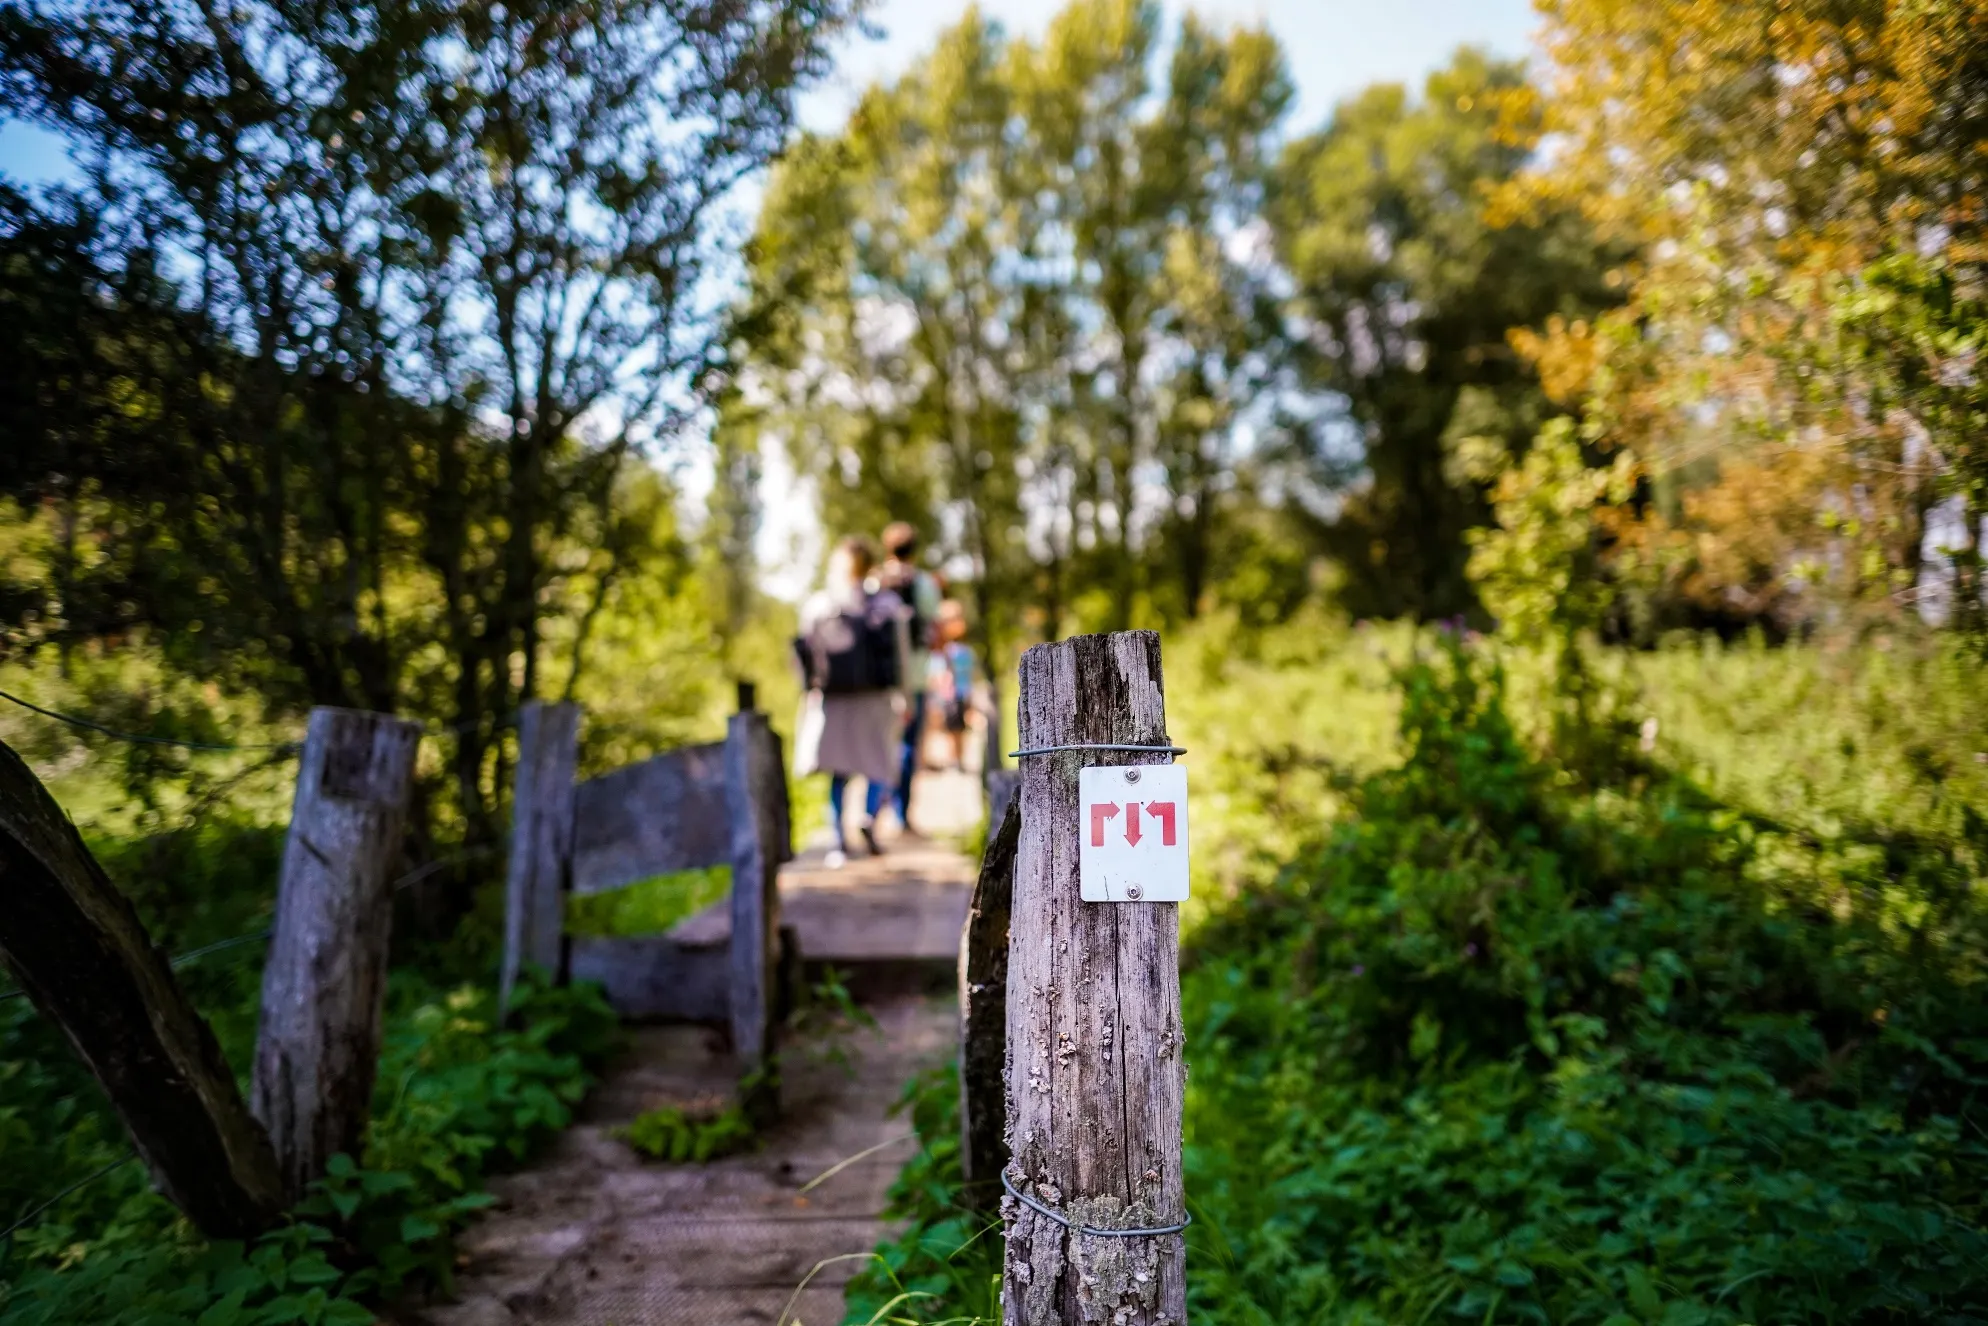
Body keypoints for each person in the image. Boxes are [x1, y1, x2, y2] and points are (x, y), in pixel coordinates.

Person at [792, 536, 910, 867]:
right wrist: (905, 696)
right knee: (878, 764)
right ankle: (868, 818)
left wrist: (808, 696)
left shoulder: (819, 604)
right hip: (875, 698)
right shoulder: (887, 604)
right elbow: (900, 655)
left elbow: (804, 658)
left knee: (839, 771)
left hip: (833, 700)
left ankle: (838, 839)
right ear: (870, 564)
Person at [874, 521, 943, 832]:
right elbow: (935, 630)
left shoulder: (875, 581)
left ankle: (876, 806)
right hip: (915, 676)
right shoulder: (925, 584)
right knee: (908, 746)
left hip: (881, 681)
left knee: (881, 744)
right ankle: (902, 813)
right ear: (914, 549)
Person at [930, 600, 978, 772]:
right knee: (950, 728)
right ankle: (952, 759)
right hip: (949, 695)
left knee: (959, 728)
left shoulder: (963, 650)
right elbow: (937, 674)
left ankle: (958, 759)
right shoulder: (942, 652)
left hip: (961, 693)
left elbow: (970, 673)